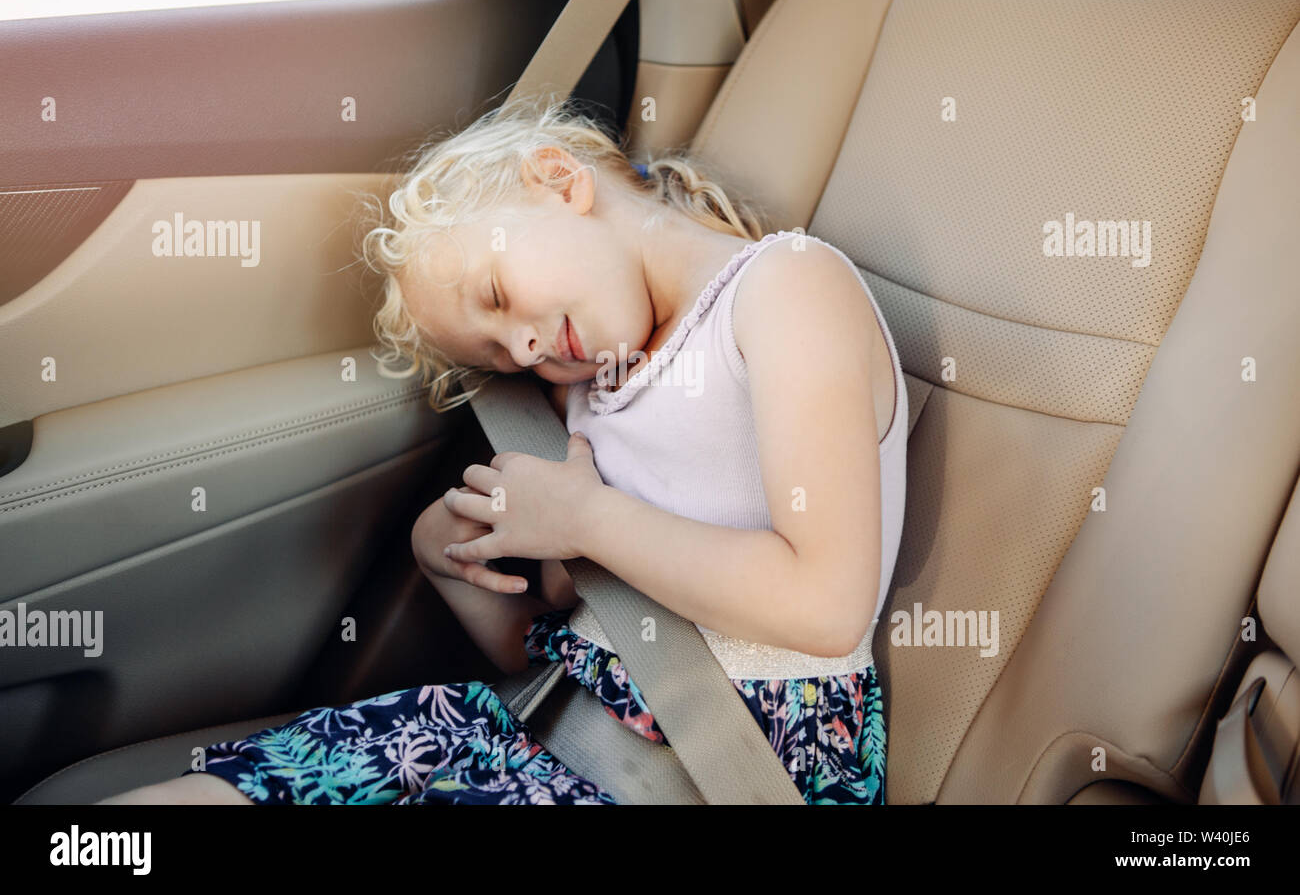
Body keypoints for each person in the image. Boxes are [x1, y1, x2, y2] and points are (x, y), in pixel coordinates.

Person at [99, 96, 906, 805]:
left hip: (740, 760)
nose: (523, 347)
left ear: (559, 179)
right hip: (537, 728)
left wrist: (587, 519)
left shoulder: (785, 289)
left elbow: (824, 605)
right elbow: (565, 636)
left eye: (495, 296)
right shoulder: (590, 383)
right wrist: (454, 565)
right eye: (502, 357)